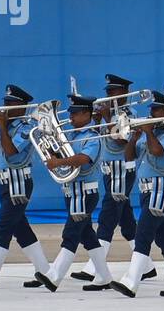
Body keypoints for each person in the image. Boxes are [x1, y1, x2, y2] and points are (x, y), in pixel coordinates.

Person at [73, 75, 159, 284]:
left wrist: (107, 117)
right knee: (126, 221)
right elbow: (98, 136)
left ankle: (95, 267)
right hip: (108, 169)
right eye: (108, 92)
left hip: (122, 169)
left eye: (113, 92)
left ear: (123, 93)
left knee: (108, 216)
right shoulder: (108, 112)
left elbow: (121, 140)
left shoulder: (129, 113)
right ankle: (147, 267)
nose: (108, 95)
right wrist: (97, 120)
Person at [109, 91, 164, 297]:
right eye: (152, 109)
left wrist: (147, 132)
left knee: (143, 234)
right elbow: (129, 156)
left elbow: (158, 152)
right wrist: (134, 136)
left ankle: (131, 281)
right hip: (147, 191)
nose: (152, 113)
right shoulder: (150, 134)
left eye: (157, 110)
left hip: (161, 190)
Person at [0, 85, 52, 289]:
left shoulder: (27, 127)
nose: (5, 107)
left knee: (4, 227)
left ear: (22, 106)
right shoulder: (3, 126)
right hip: (5, 183)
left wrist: (2, 126)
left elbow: (11, 151)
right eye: (5, 102)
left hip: (18, 184)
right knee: (21, 229)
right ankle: (46, 272)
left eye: (10, 103)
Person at [34, 94, 114, 292]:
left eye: (76, 114)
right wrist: (52, 155)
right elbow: (63, 154)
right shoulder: (71, 134)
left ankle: (55, 276)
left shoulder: (92, 136)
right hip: (72, 191)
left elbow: (83, 159)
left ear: (87, 113)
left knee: (70, 234)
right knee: (87, 235)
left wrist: (58, 162)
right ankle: (104, 276)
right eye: (71, 114)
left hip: (84, 192)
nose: (71, 118)